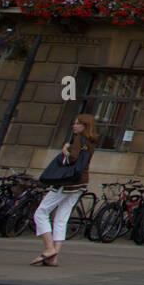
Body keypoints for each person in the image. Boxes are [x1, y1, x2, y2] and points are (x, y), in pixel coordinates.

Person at [31, 114, 97, 267]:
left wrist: (65, 150)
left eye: (77, 124)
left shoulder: (78, 139)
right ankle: (54, 256)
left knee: (41, 212)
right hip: (80, 183)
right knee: (62, 217)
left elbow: (72, 158)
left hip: (66, 182)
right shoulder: (91, 141)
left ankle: (48, 248)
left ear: (84, 126)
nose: (74, 126)